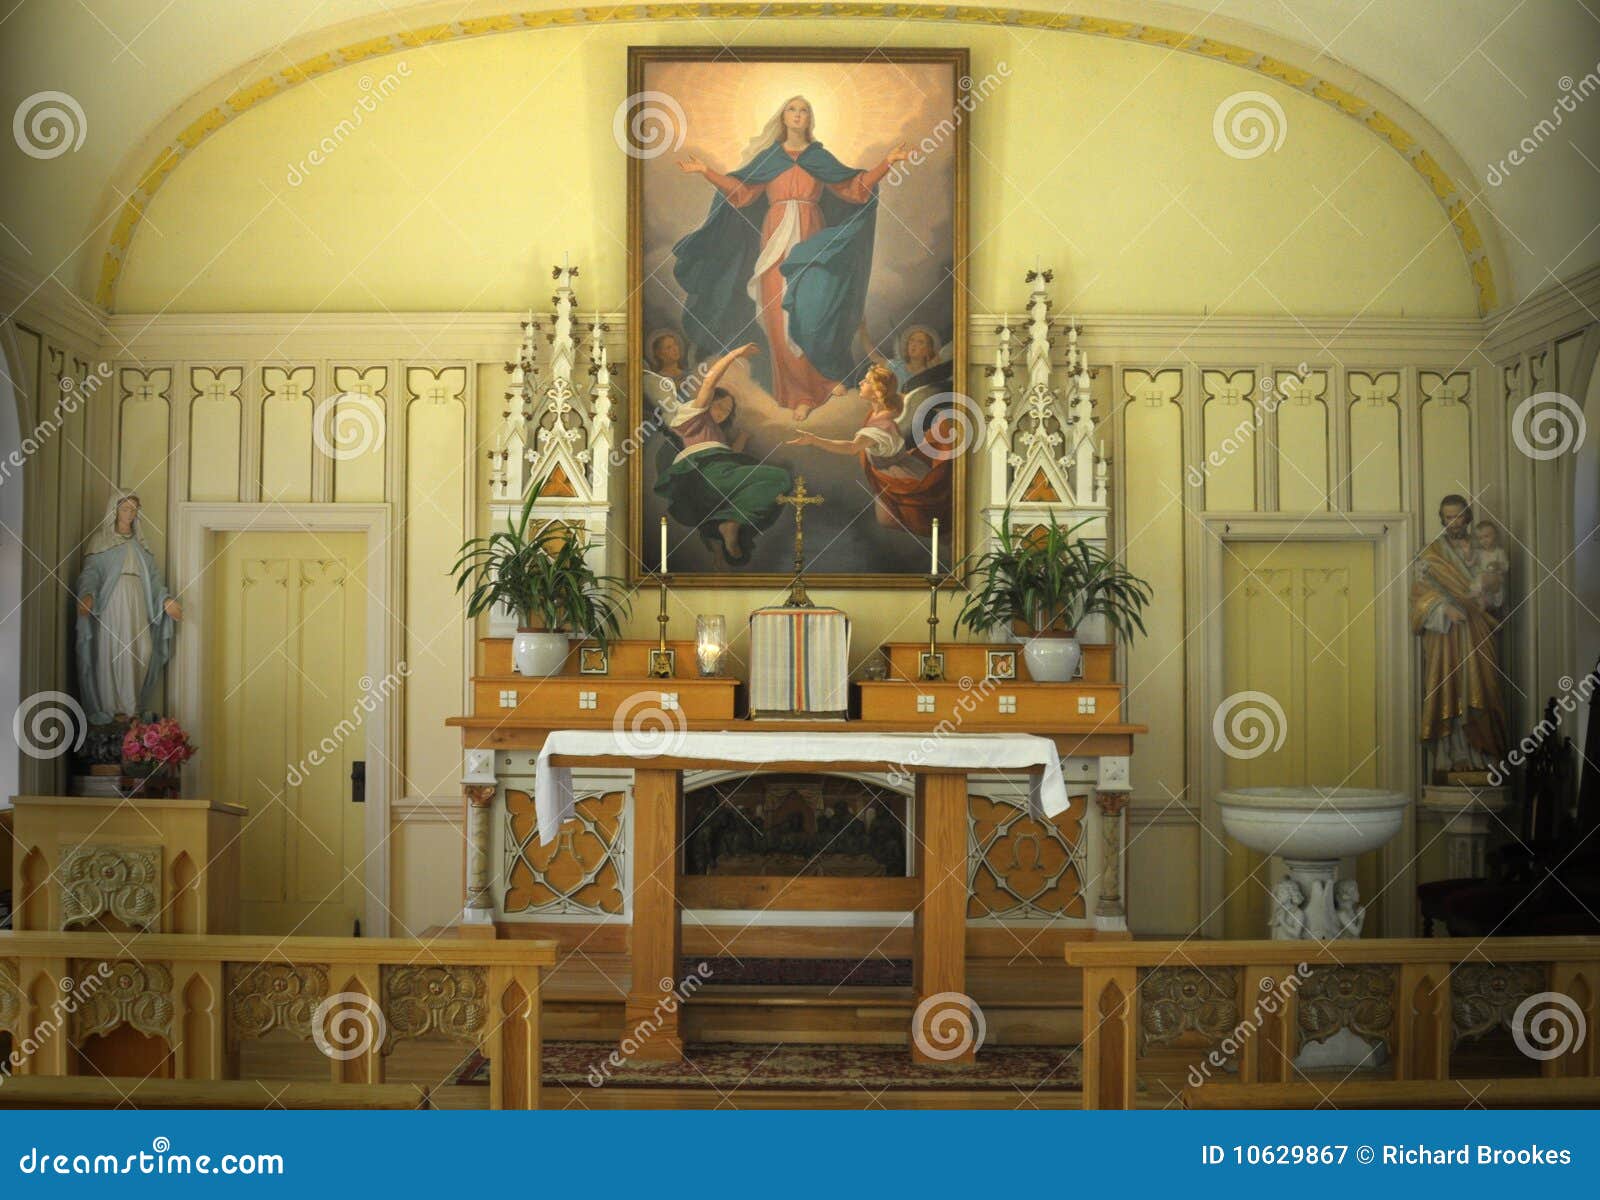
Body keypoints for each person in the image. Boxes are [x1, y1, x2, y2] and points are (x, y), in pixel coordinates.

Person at [675, 96, 909, 421]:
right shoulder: (770, 158)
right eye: (792, 109)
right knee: (778, 318)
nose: (798, 115)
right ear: (783, 117)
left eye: (803, 110)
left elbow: (855, 189)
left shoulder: (818, 158)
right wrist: (706, 171)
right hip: (774, 242)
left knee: (813, 311)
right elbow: (741, 194)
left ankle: (823, 382)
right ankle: (797, 393)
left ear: (809, 118)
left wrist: (888, 163)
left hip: (812, 237)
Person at [653, 343, 792, 564]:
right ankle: (730, 523)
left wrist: (742, 439)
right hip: (709, 473)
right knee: (781, 478)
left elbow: (731, 462)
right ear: (709, 402)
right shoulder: (694, 414)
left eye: (727, 411)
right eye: (718, 406)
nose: (721, 413)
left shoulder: (716, 433)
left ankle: (728, 526)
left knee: (769, 487)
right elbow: (710, 380)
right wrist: (736, 354)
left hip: (716, 480)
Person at [787, 363, 949, 536]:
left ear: (878, 392)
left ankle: (941, 537)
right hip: (888, 474)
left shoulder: (879, 426)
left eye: (866, 382)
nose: (860, 384)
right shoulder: (890, 408)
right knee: (892, 519)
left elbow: (851, 448)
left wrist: (813, 439)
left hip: (899, 476)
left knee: (904, 519)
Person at [1411, 494, 1509, 778]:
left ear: (1467, 517)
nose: (1453, 522)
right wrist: (1443, 609)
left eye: (1458, 516)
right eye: (1448, 517)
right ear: (1442, 519)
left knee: (1484, 685)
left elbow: (1498, 595)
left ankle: (1483, 754)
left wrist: (1489, 593)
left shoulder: (1485, 549)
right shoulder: (1432, 554)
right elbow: (1417, 596)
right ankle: (1454, 756)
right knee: (1449, 684)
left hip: (1479, 629)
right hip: (1447, 636)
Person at [73, 493, 182, 724]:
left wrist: (165, 600)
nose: (130, 514)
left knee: (143, 649)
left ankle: (132, 707)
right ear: (114, 511)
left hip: (138, 600)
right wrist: (88, 595)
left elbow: (153, 580)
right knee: (113, 650)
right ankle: (115, 709)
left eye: (134, 510)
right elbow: (91, 572)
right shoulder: (101, 541)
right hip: (113, 600)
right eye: (125, 509)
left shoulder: (140, 546)